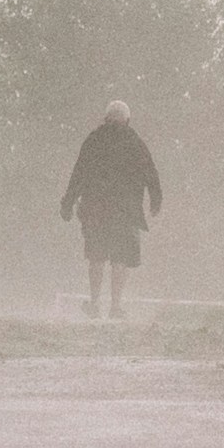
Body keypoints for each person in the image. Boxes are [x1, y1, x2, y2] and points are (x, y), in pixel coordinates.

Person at [58, 104, 162, 315]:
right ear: (127, 119)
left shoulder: (94, 140)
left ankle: (95, 304)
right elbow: (150, 172)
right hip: (126, 211)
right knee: (120, 258)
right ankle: (115, 306)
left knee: (96, 255)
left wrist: (68, 203)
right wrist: (155, 199)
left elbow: (78, 173)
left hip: (96, 209)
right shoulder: (135, 142)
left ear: (106, 118)